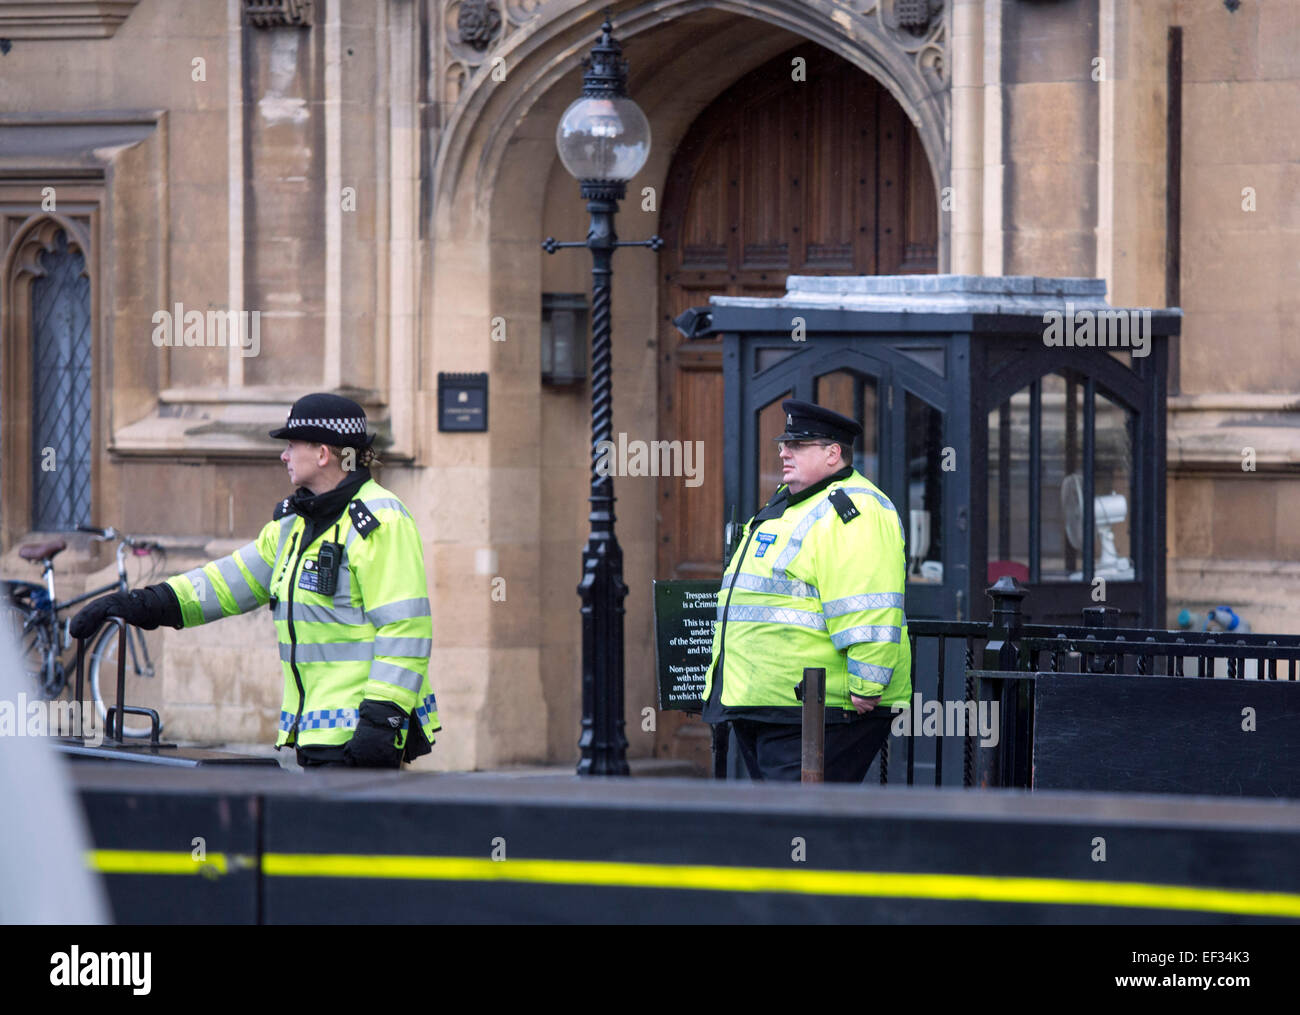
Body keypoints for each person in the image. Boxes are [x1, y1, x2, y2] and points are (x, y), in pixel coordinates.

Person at [69, 393, 439, 769]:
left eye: (292, 445)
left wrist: (381, 721)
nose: (284, 455)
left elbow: (404, 629)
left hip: (362, 739)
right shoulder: (294, 525)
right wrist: (139, 604)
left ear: (324, 453)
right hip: (317, 738)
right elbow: (224, 584)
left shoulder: (381, 520)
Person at [701, 398, 910, 782]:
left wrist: (868, 683)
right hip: (767, 703)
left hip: (821, 709)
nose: (783, 451)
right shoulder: (792, 504)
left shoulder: (853, 510)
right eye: (783, 443)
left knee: (801, 826)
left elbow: (869, 602)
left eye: (797, 444)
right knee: (786, 826)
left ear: (833, 454)